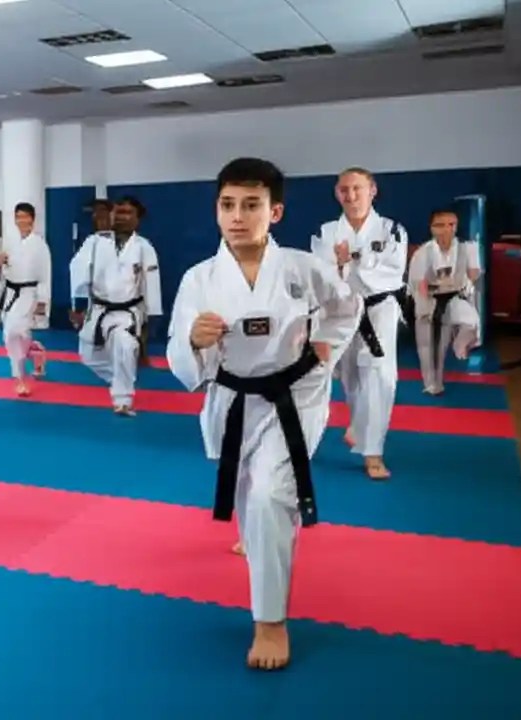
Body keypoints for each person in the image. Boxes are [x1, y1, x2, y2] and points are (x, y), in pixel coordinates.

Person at [166, 157, 360, 671]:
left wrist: (326, 346)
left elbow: (348, 307)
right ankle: (259, 535)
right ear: (216, 211)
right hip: (233, 400)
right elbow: (179, 363)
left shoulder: (302, 267)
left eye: (251, 205)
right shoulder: (199, 279)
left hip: (295, 395)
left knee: (273, 493)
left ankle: (270, 622)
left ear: (274, 212)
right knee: (252, 488)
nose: (238, 215)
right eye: (228, 205)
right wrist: (191, 339)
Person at [310, 168, 408, 480]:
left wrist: (352, 263)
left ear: (372, 190)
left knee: (380, 376)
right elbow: (320, 276)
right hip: (341, 310)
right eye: (344, 190)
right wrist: (340, 266)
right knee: (349, 376)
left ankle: (373, 452)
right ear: (337, 193)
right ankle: (361, 426)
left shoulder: (392, 230)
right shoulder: (327, 232)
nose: (351, 196)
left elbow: (392, 274)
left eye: (357, 188)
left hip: (380, 309)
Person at [70, 197, 161, 416]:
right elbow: (78, 270)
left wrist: (152, 318)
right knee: (87, 355)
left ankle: (123, 400)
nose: (122, 217)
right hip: (99, 309)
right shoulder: (95, 242)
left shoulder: (144, 247)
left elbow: (152, 284)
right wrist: (77, 305)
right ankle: (122, 376)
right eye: (119, 212)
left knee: (125, 344)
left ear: (138, 219)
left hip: (128, 312)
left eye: (129, 213)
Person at [409, 209, 483, 395]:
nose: (447, 229)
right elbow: (420, 284)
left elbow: (474, 275)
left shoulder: (467, 248)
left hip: (454, 296)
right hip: (429, 300)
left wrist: (469, 274)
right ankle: (433, 384)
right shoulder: (423, 253)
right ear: (432, 228)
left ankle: (460, 344)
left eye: (451, 225)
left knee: (471, 322)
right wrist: (427, 306)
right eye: (440, 225)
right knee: (430, 347)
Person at [0, 202, 51, 396]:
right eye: (19, 217)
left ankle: (25, 368)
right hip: (11, 293)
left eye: (26, 216)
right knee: (13, 333)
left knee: (15, 332)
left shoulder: (40, 245)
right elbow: (1, 267)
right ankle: (30, 361)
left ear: (32, 219)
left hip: (29, 293)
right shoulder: (10, 242)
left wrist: (43, 301)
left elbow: (45, 275)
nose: (22, 220)